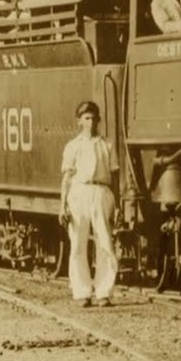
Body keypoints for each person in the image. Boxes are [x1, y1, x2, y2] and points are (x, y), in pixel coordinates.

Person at [59, 100, 119, 306]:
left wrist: (117, 204)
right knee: (77, 244)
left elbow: (115, 177)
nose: (90, 122)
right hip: (79, 193)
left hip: (102, 192)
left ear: (99, 120)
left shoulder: (107, 145)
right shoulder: (73, 146)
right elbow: (66, 178)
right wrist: (62, 205)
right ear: (79, 122)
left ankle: (103, 293)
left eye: (94, 118)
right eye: (86, 118)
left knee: (105, 243)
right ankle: (82, 292)